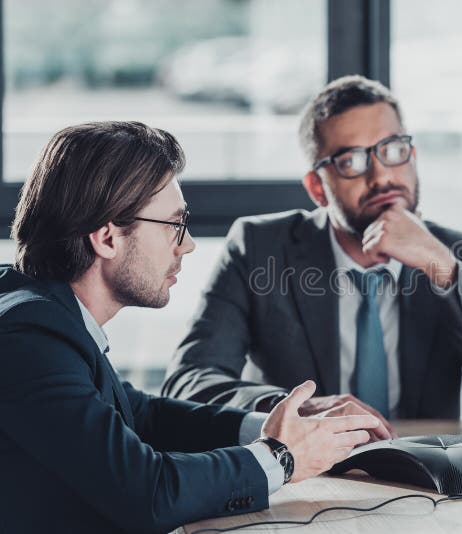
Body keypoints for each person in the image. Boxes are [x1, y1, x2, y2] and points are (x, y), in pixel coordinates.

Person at [0, 121, 381, 534]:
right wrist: (281, 457)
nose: (187, 245)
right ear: (107, 238)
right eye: (174, 226)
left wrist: (275, 423)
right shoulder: (31, 338)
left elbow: (142, 416)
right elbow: (148, 492)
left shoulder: (46, 314)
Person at [161, 75, 462, 421]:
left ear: (412, 157)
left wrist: (445, 270)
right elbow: (189, 382)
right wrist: (293, 408)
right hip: (304, 474)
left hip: (426, 481)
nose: (382, 177)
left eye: (393, 150)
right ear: (316, 188)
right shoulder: (259, 248)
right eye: (351, 161)